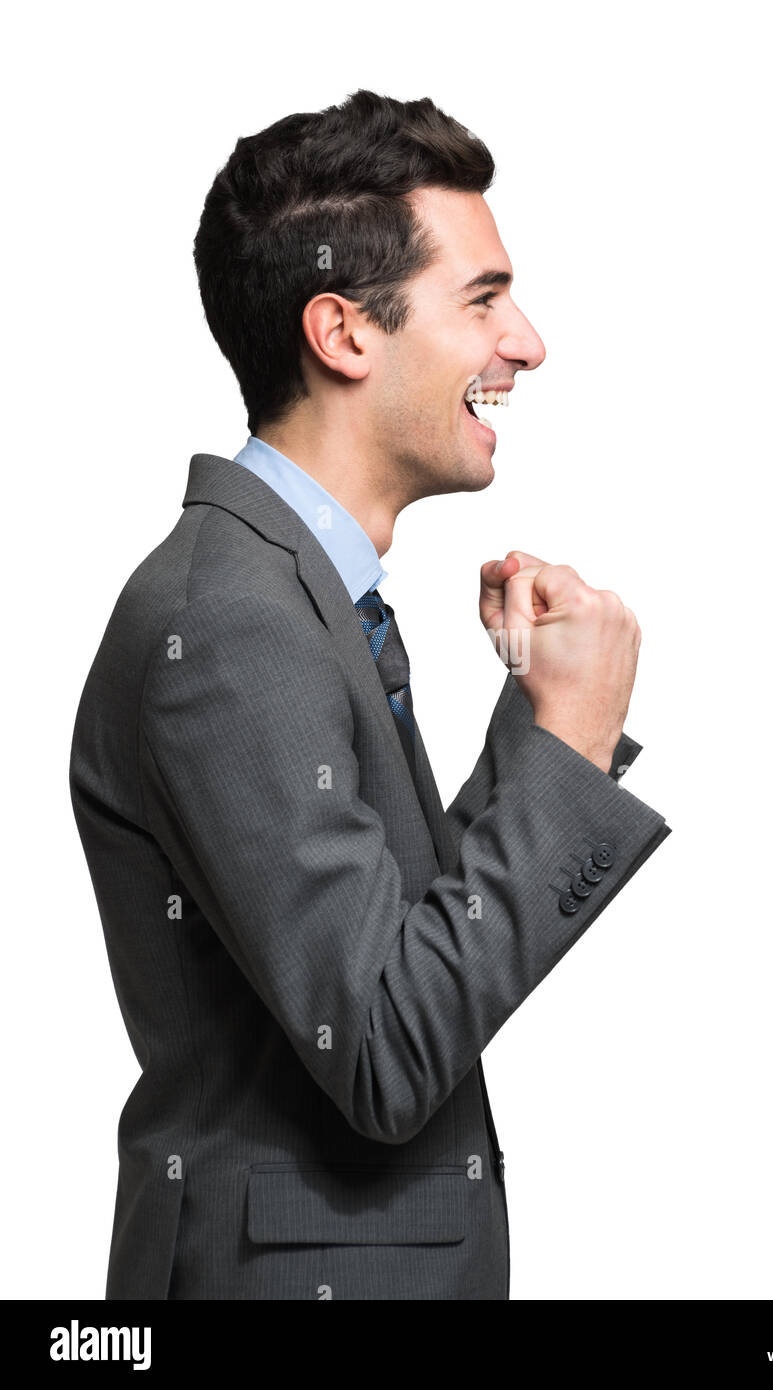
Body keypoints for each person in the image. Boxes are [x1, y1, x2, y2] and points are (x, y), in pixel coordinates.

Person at [68, 89, 672, 1301]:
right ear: (344, 333)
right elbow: (389, 1049)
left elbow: (385, 951)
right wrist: (569, 741)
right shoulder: (231, 619)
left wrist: (535, 739)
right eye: (485, 300)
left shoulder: (291, 593)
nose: (528, 344)